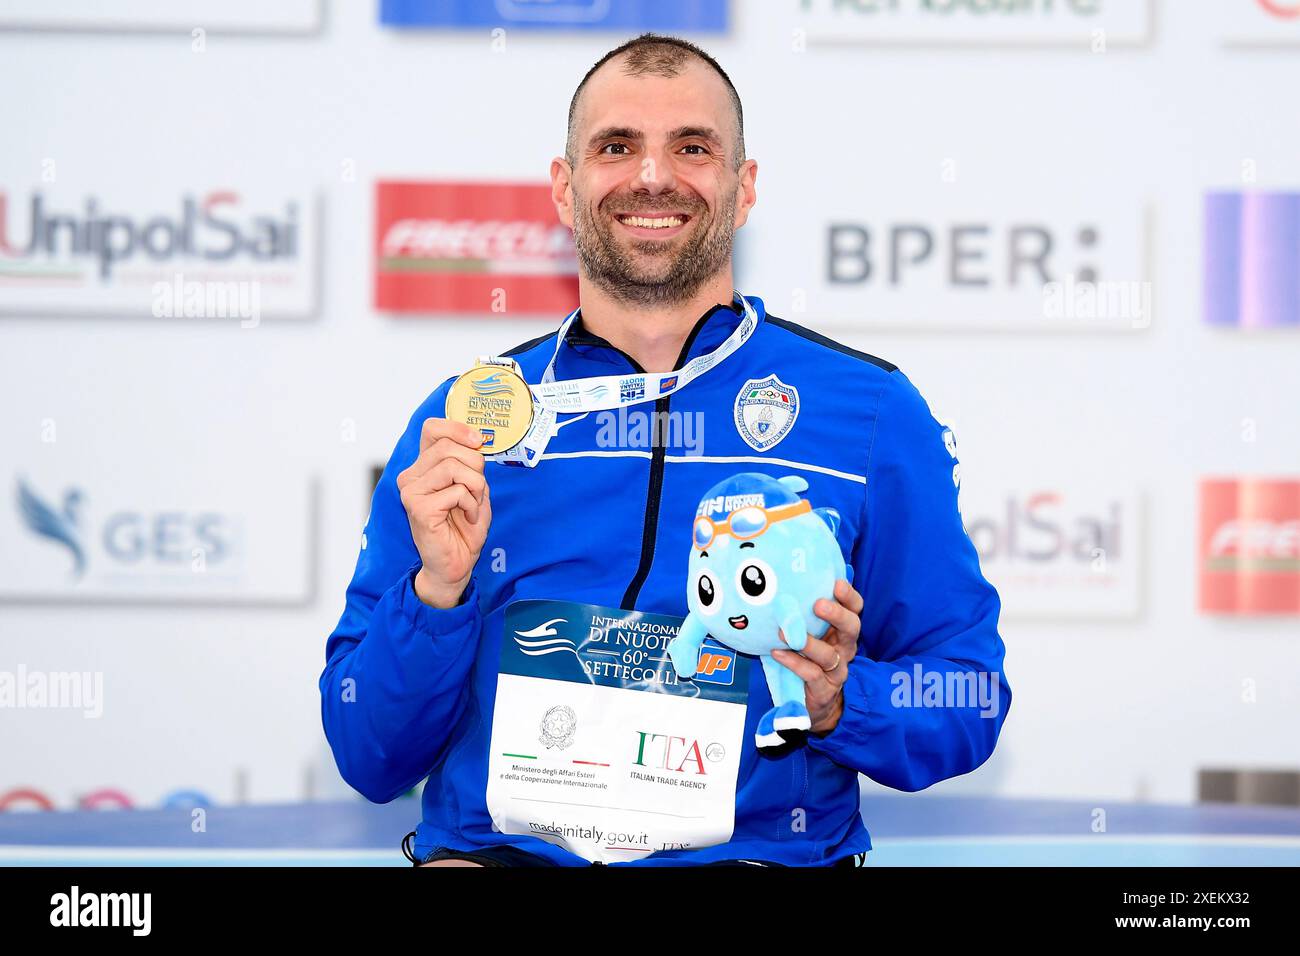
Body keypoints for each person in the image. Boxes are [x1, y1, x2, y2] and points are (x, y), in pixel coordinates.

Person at [320, 32, 1010, 868]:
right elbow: (367, 752)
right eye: (617, 147)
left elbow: (968, 700)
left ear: (744, 187)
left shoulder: (867, 414)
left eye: (693, 147)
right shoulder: (469, 426)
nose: (653, 177)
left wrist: (839, 701)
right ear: (564, 189)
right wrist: (437, 591)